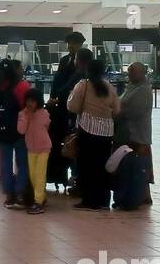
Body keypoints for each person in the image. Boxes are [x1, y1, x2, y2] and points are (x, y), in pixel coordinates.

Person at [66, 48, 120, 211]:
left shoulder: (83, 85)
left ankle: (89, 201)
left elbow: (72, 106)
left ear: (88, 70)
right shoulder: (109, 87)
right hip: (106, 132)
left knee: (86, 166)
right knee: (102, 166)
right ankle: (103, 201)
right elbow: (117, 110)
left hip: (87, 130)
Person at [0, 58, 32, 208]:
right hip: (19, 131)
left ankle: (8, 196)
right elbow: (27, 108)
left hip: (1, 131)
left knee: (5, 163)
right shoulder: (22, 86)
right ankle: (19, 194)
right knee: (22, 163)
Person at [49, 32, 85, 192]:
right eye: (69, 43)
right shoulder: (64, 60)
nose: (71, 46)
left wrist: (60, 96)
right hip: (60, 108)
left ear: (80, 45)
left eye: (74, 43)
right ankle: (60, 174)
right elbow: (57, 80)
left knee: (73, 141)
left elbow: (72, 85)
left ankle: (76, 176)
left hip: (73, 108)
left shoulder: (83, 65)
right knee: (60, 140)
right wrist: (53, 98)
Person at [114, 62, 154, 205]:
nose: (129, 74)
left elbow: (133, 110)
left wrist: (116, 113)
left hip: (138, 134)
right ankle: (138, 194)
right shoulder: (132, 87)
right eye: (129, 71)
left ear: (142, 73)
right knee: (133, 167)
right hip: (128, 133)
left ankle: (141, 195)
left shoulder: (144, 90)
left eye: (133, 71)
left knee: (140, 166)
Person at [18, 89, 52, 214]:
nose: (30, 104)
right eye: (28, 101)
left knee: (40, 174)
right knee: (33, 176)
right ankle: (41, 197)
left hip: (44, 148)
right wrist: (25, 117)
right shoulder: (23, 114)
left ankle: (38, 202)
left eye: (33, 101)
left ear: (38, 102)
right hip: (31, 149)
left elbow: (47, 126)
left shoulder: (44, 113)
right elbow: (21, 130)